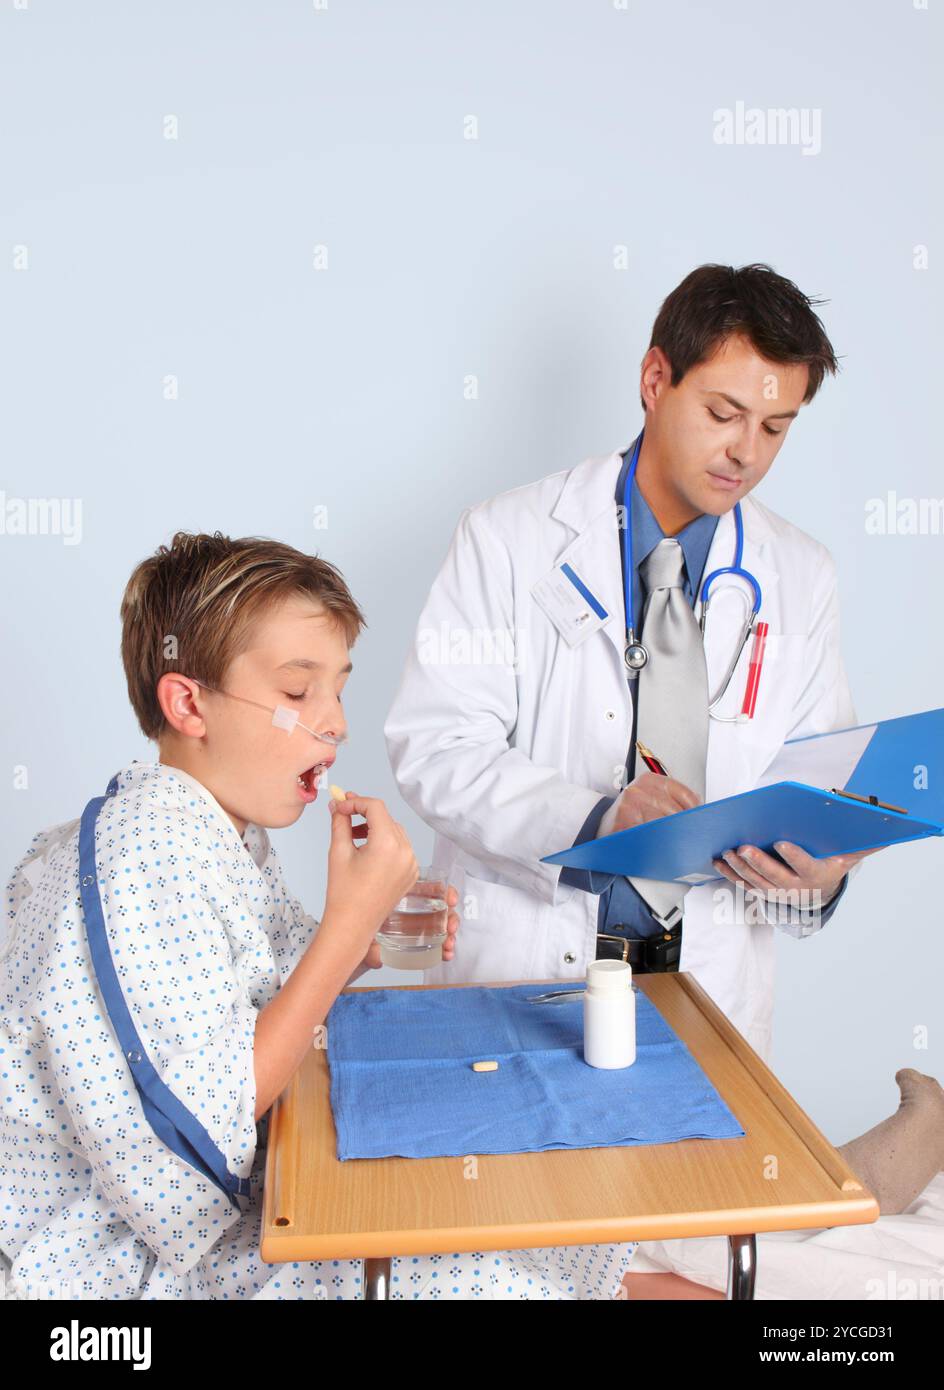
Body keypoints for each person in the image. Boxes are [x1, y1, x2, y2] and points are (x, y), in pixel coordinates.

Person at [0, 533, 635, 1300]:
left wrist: (364, 937)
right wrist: (346, 926)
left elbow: (262, 991)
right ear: (188, 702)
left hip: (223, 1214)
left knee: (541, 1211)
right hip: (110, 1266)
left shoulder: (217, 839)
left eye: (337, 690)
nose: (332, 724)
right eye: (298, 694)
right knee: (491, 1275)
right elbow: (200, 1123)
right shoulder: (146, 852)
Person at [384, 263, 883, 1063]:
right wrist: (599, 820)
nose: (746, 453)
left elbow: (818, 783)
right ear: (656, 379)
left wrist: (819, 879)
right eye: (724, 413)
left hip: (708, 988)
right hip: (525, 968)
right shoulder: (508, 538)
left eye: (775, 427)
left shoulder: (800, 573)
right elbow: (437, 748)